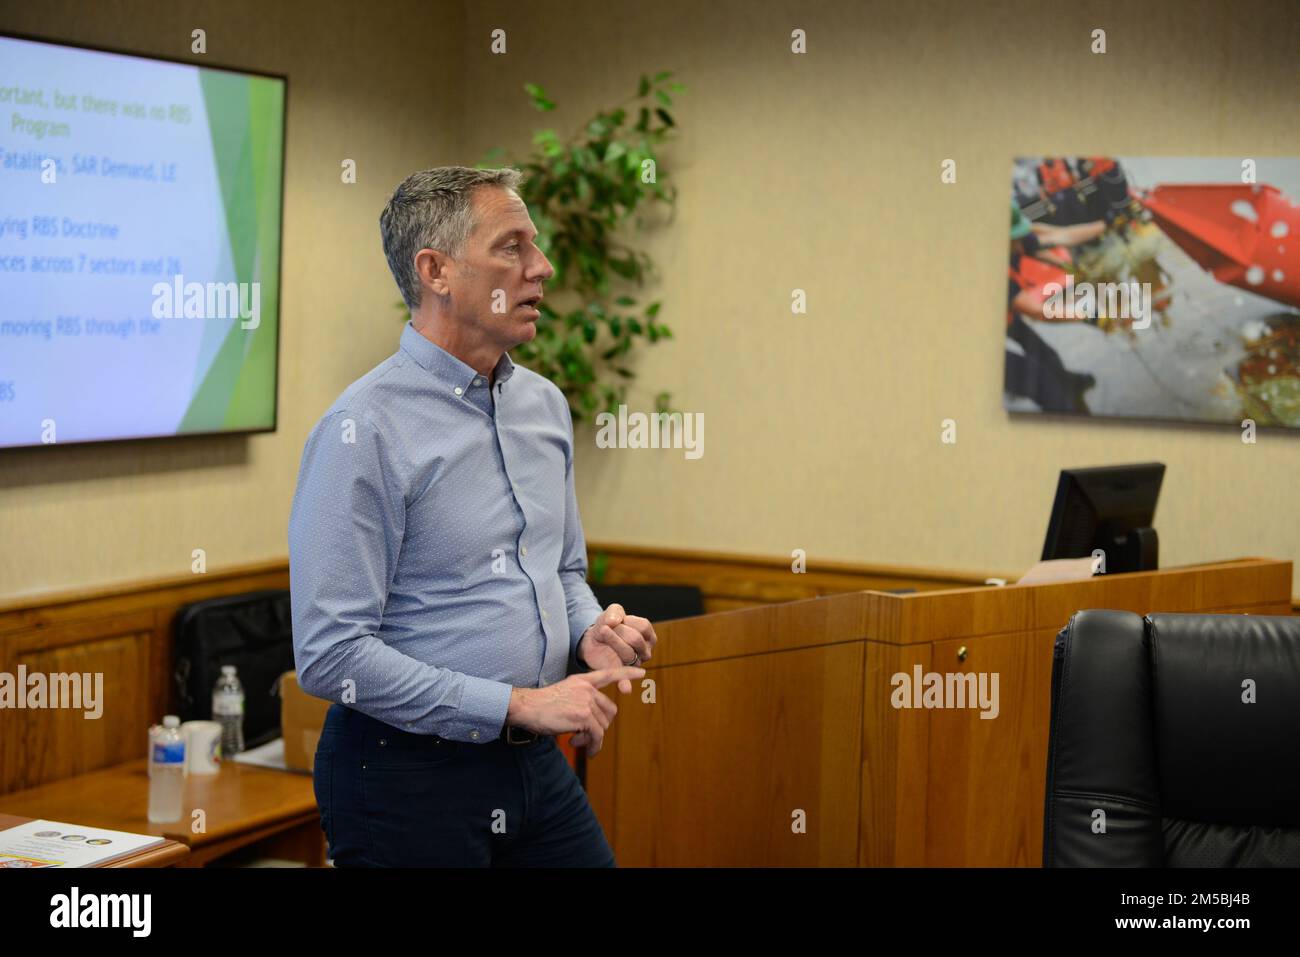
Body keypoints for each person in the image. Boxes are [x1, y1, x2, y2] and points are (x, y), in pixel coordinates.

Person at [288, 166, 657, 866]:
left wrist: (590, 628)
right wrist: (515, 702)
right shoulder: (361, 430)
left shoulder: (545, 406)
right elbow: (331, 654)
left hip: (533, 762)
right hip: (402, 777)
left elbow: (564, 568)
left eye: (535, 245)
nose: (541, 268)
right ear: (437, 270)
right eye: (512, 247)